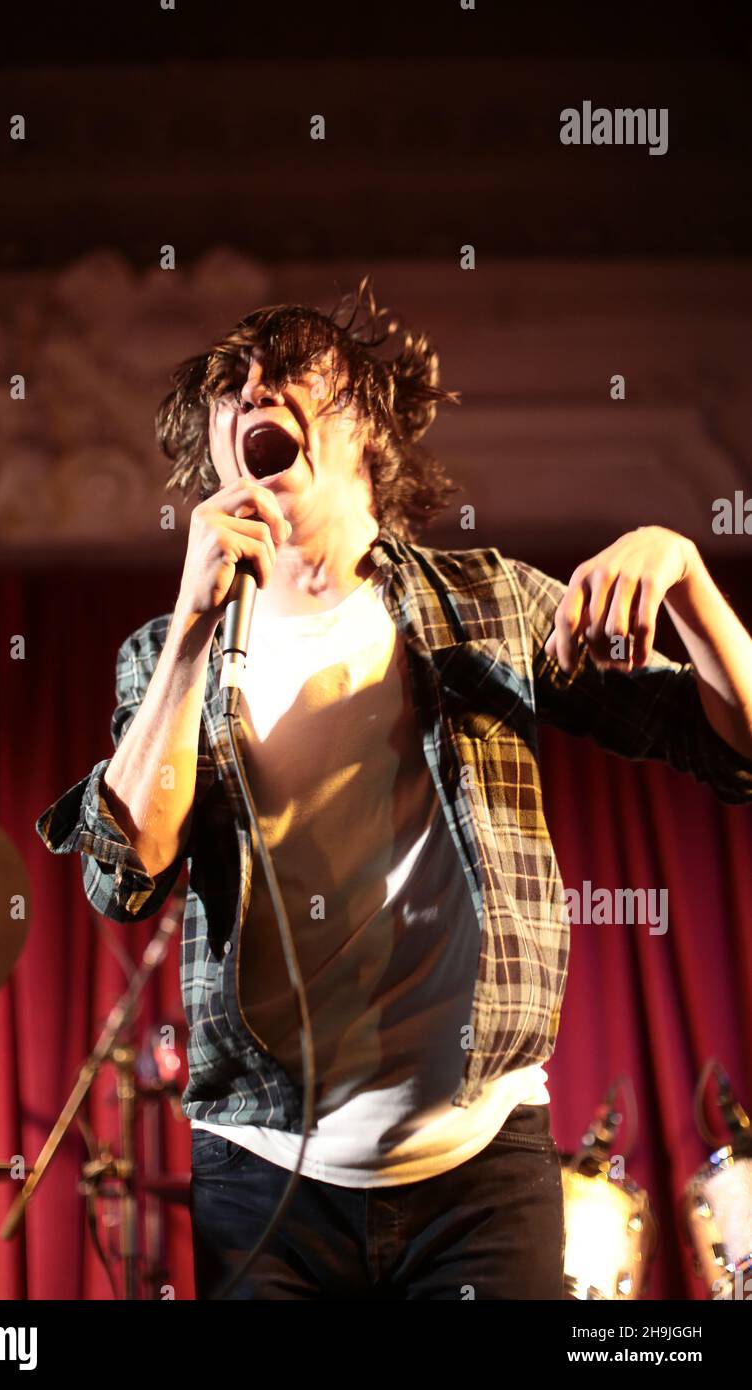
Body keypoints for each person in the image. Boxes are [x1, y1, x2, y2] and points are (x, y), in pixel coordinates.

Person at [37, 280, 752, 1300]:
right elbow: (123, 877)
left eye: (285, 377)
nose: (252, 394)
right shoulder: (162, 656)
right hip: (261, 1180)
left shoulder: (490, 603)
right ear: (212, 452)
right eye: (228, 389)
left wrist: (683, 574)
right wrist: (189, 635)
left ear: (362, 422)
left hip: (477, 1167)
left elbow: (736, 746)